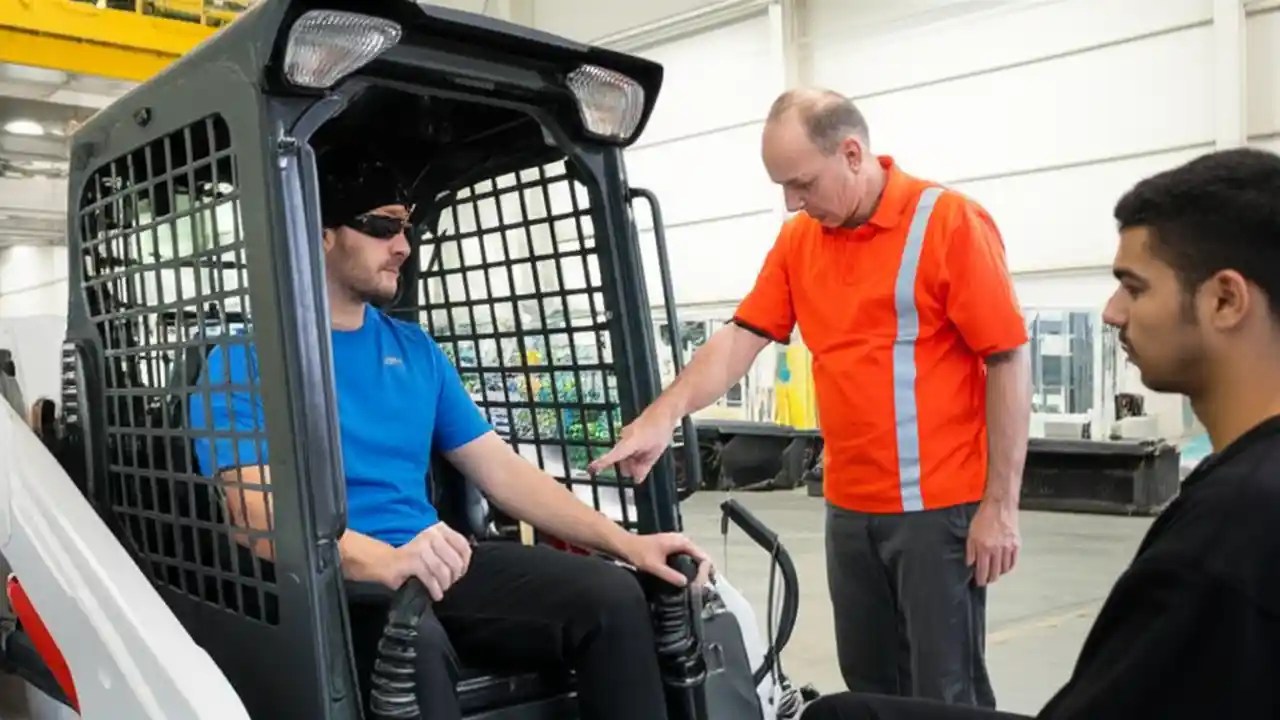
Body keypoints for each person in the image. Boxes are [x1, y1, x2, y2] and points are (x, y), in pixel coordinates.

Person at [187, 148, 713, 720]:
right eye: (383, 227)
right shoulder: (244, 359)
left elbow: (503, 472)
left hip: (432, 561)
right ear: (322, 236)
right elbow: (254, 519)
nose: (403, 247)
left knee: (611, 596)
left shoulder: (416, 352)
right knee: (412, 644)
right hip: (327, 579)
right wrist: (383, 561)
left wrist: (626, 544)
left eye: (406, 229)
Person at [799, 146, 1280, 719]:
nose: (1111, 312)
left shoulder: (1226, 537)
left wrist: (997, 505)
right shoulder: (1236, 494)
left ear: (1225, 299)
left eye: (1135, 287)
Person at [590, 87, 1031, 708]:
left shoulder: (947, 222)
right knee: (870, 689)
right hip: (849, 508)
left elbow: (1008, 357)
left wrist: (1001, 506)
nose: (793, 203)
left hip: (938, 510)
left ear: (852, 153)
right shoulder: (801, 242)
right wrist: (664, 415)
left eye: (802, 184)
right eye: (783, 188)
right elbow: (742, 337)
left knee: (945, 693)